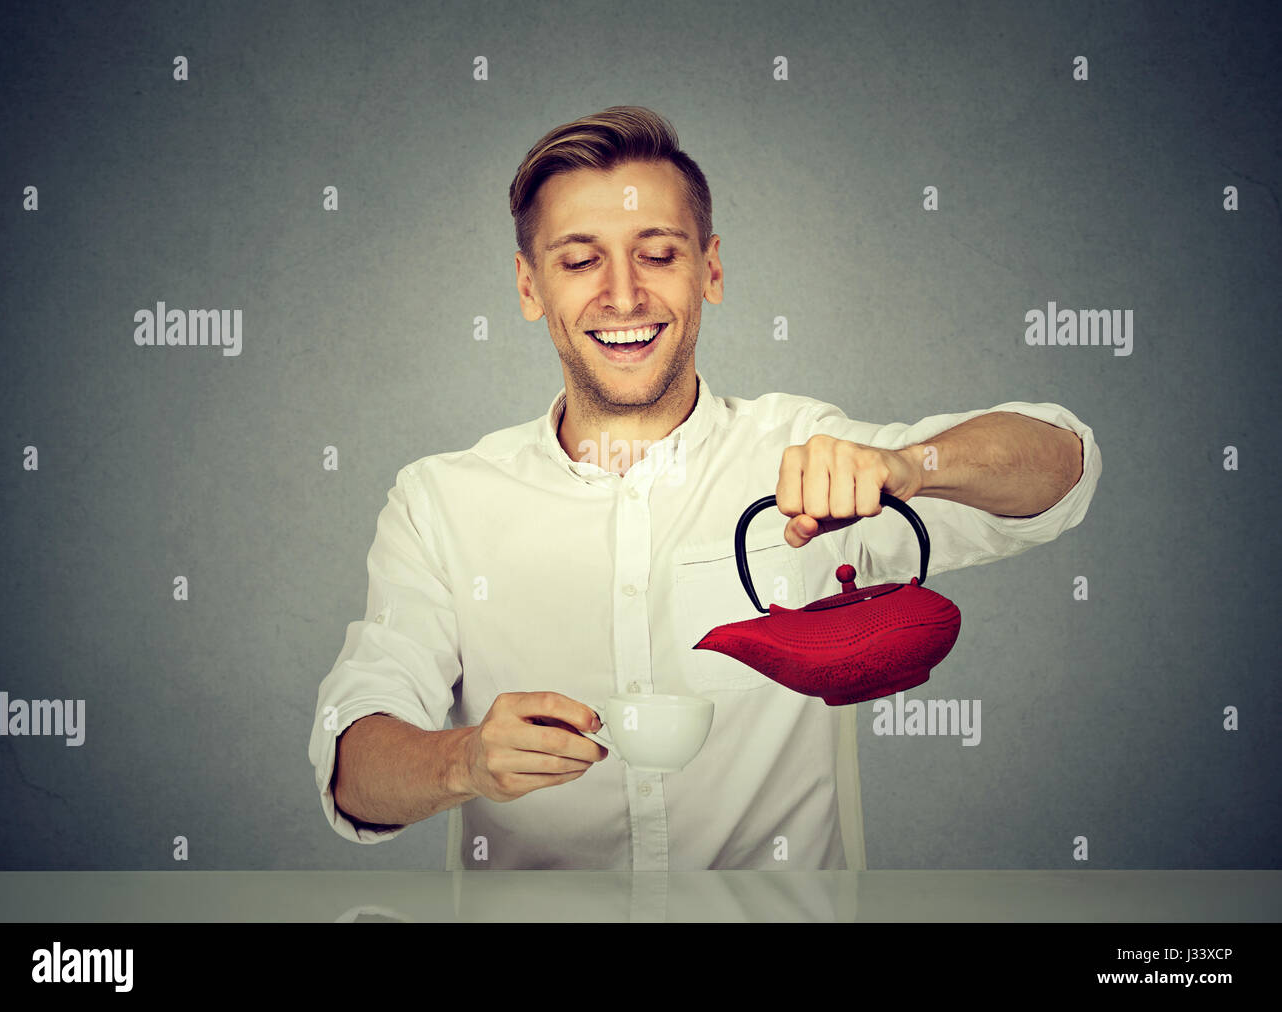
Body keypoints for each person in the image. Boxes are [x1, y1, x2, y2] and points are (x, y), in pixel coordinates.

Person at [307, 106, 1101, 870]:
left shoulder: (808, 452)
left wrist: (910, 466)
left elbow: (1062, 465)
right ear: (529, 287)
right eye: (580, 260)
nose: (623, 296)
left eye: (657, 253)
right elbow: (354, 768)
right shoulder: (442, 501)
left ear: (710, 269)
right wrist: (466, 759)